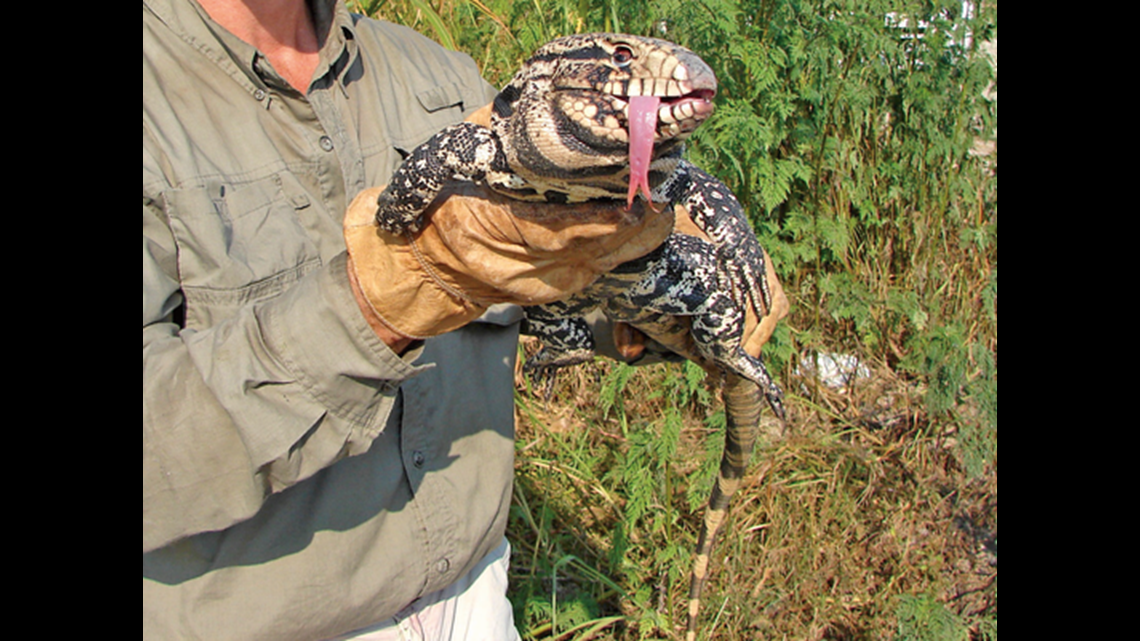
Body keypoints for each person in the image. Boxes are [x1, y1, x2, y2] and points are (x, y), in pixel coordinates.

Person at [143, 0, 677, 639]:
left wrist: (645, 310)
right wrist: (374, 307)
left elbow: (531, 279)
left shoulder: (437, 76)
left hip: (475, 596)